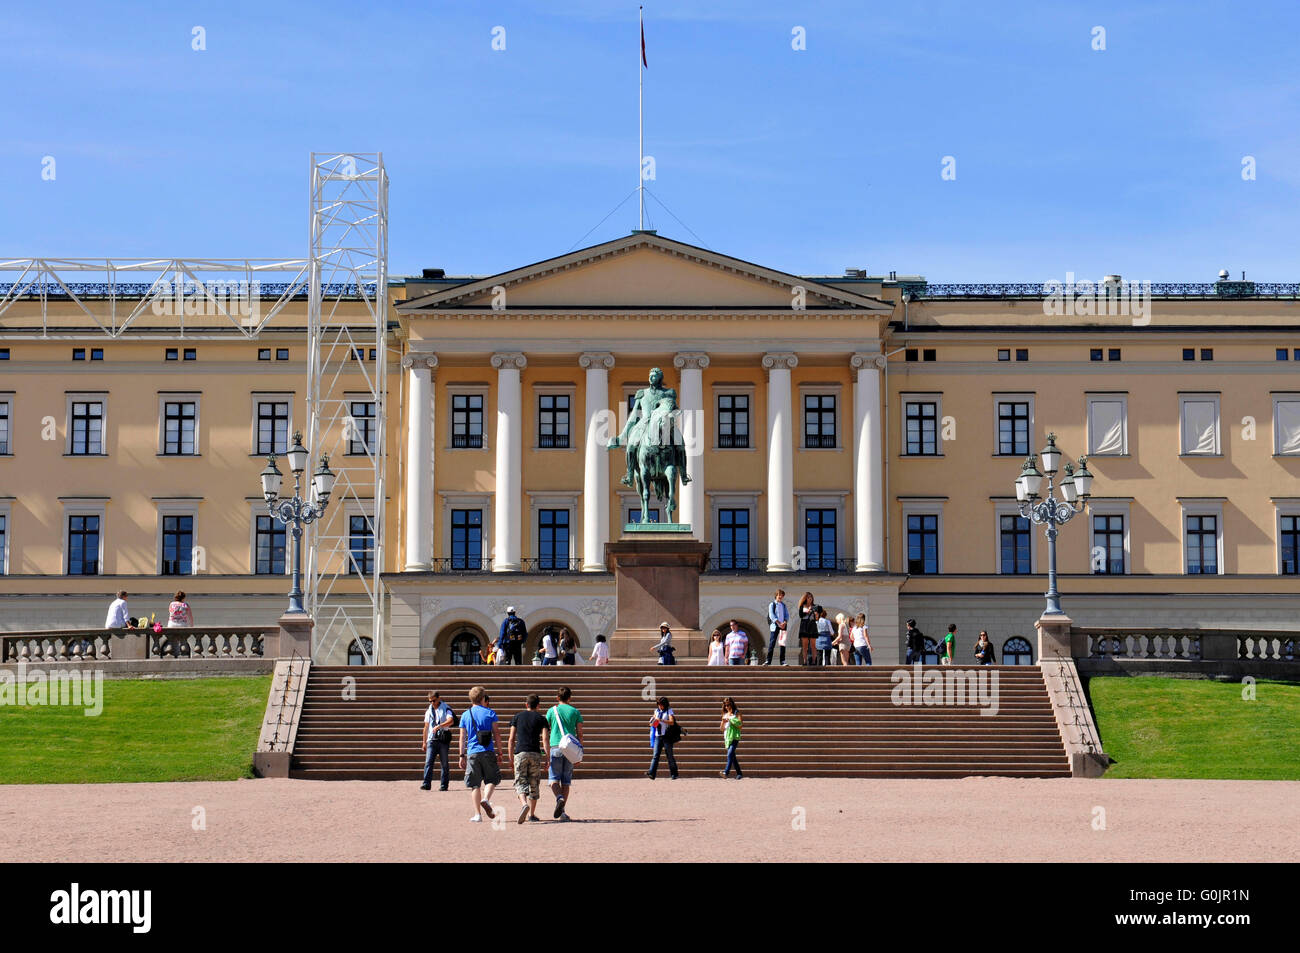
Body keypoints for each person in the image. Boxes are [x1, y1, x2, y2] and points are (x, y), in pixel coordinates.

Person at [458, 685, 502, 823]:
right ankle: (486, 799)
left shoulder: (465, 714)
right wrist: (500, 752)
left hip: (472, 752)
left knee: (474, 784)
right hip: (488, 750)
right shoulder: (490, 713)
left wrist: (461, 755)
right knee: (492, 779)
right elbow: (497, 734)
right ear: (483, 698)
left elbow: (462, 737)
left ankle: (477, 815)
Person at [508, 694, 550, 823]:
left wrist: (510, 756)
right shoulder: (541, 719)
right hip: (535, 753)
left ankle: (523, 804)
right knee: (534, 782)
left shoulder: (517, 717)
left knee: (520, 781)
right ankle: (531, 814)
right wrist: (548, 757)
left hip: (520, 752)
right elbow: (545, 739)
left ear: (526, 704)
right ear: (538, 706)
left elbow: (511, 738)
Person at [546, 687, 584, 821]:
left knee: (553, 780)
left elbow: (547, 729)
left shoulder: (551, 711)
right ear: (569, 698)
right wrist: (579, 753)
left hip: (555, 746)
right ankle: (562, 812)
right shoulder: (575, 712)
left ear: (557, 698)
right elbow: (580, 733)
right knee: (566, 782)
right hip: (570, 749)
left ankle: (558, 798)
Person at [421, 691, 454, 791]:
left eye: (434, 700)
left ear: (439, 698)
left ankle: (444, 785)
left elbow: (451, 720)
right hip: (431, 739)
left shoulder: (446, 708)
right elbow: (426, 727)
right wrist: (424, 742)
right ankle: (426, 783)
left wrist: (439, 726)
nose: (432, 703)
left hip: (443, 739)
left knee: (444, 763)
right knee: (428, 762)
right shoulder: (429, 710)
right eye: (430, 701)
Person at [645, 695, 679, 780]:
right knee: (655, 755)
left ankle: (674, 774)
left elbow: (672, 722)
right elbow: (651, 723)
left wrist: (661, 720)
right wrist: (652, 722)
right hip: (657, 736)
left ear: (665, 704)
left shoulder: (669, 711)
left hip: (666, 736)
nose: (659, 706)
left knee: (670, 756)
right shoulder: (656, 711)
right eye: (658, 704)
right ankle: (651, 773)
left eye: (661, 704)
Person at [719, 697, 743, 780]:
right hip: (727, 738)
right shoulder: (725, 715)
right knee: (732, 756)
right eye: (725, 705)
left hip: (734, 737)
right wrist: (723, 722)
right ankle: (739, 773)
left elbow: (740, 725)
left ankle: (726, 772)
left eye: (728, 705)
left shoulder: (736, 713)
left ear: (732, 704)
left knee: (730, 754)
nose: (726, 707)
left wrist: (731, 719)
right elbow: (721, 729)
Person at [765, 589, 789, 666]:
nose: (781, 597)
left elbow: (786, 615)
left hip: (783, 626)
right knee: (772, 643)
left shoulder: (784, 605)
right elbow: (772, 615)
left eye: (782, 595)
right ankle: (768, 661)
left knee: (782, 644)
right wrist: (778, 623)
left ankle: (782, 661)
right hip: (775, 626)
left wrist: (784, 622)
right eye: (779, 595)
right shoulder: (772, 604)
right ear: (776, 595)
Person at [796, 592, 817, 666]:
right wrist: (807, 611)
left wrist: (816, 614)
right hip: (804, 625)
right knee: (805, 646)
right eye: (808, 597)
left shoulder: (815, 606)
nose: (810, 598)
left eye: (811, 597)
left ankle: (814, 661)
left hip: (812, 625)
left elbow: (817, 618)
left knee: (813, 645)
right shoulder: (802, 606)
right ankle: (805, 661)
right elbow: (800, 615)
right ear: (805, 598)